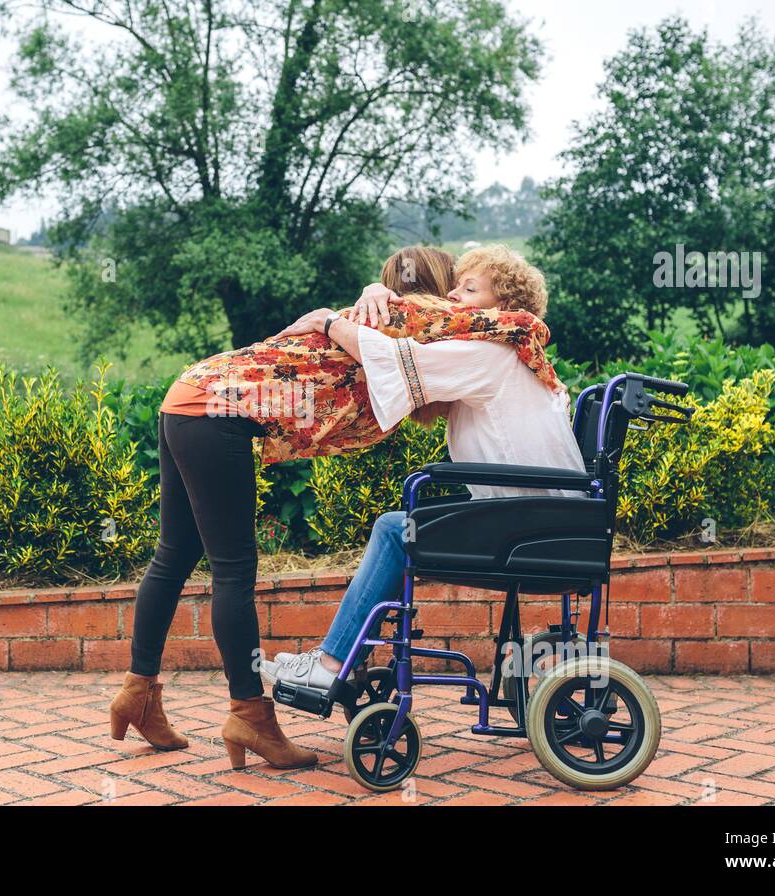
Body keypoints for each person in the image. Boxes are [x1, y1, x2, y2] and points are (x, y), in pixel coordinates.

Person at [109, 245, 564, 770]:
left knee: (175, 553)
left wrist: (365, 299)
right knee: (233, 570)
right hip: (217, 414)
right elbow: (441, 337)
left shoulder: (389, 324)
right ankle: (249, 717)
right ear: (436, 293)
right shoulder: (407, 325)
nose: (459, 302)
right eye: (455, 289)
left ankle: (138, 693)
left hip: (190, 397)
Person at [261, 245, 586, 694]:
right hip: (544, 523)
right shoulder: (511, 354)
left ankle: (331, 663)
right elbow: (417, 334)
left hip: (528, 529)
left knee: (397, 530)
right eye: (455, 284)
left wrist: (329, 323)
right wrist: (376, 291)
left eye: (469, 289)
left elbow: (403, 360)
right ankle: (344, 657)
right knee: (404, 526)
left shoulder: (491, 353)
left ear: (504, 307)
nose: (453, 296)